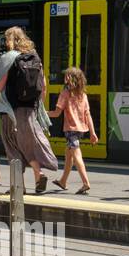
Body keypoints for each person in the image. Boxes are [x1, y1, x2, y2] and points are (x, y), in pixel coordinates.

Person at [0, 26, 57, 193]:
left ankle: (19, 186)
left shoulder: (8, 58)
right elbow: (44, 86)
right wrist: (37, 107)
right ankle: (38, 174)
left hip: (11, 111)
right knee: (27, 144)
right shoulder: (34, 56)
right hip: (30, 109)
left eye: (6, 39)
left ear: (11, 40)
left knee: (12, 148)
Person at [48, 66, 98, 194]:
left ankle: (86, 183)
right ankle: (63, 181)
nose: (64, 78)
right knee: (68, 155)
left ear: (70, 79)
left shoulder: (65, 93)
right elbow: (88, 115)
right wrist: (92, 133)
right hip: (81, 130)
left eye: (66, 76)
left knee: (76, 156)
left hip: (70, 129)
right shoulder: (83, 95)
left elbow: (56, 113)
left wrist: (42, 113)